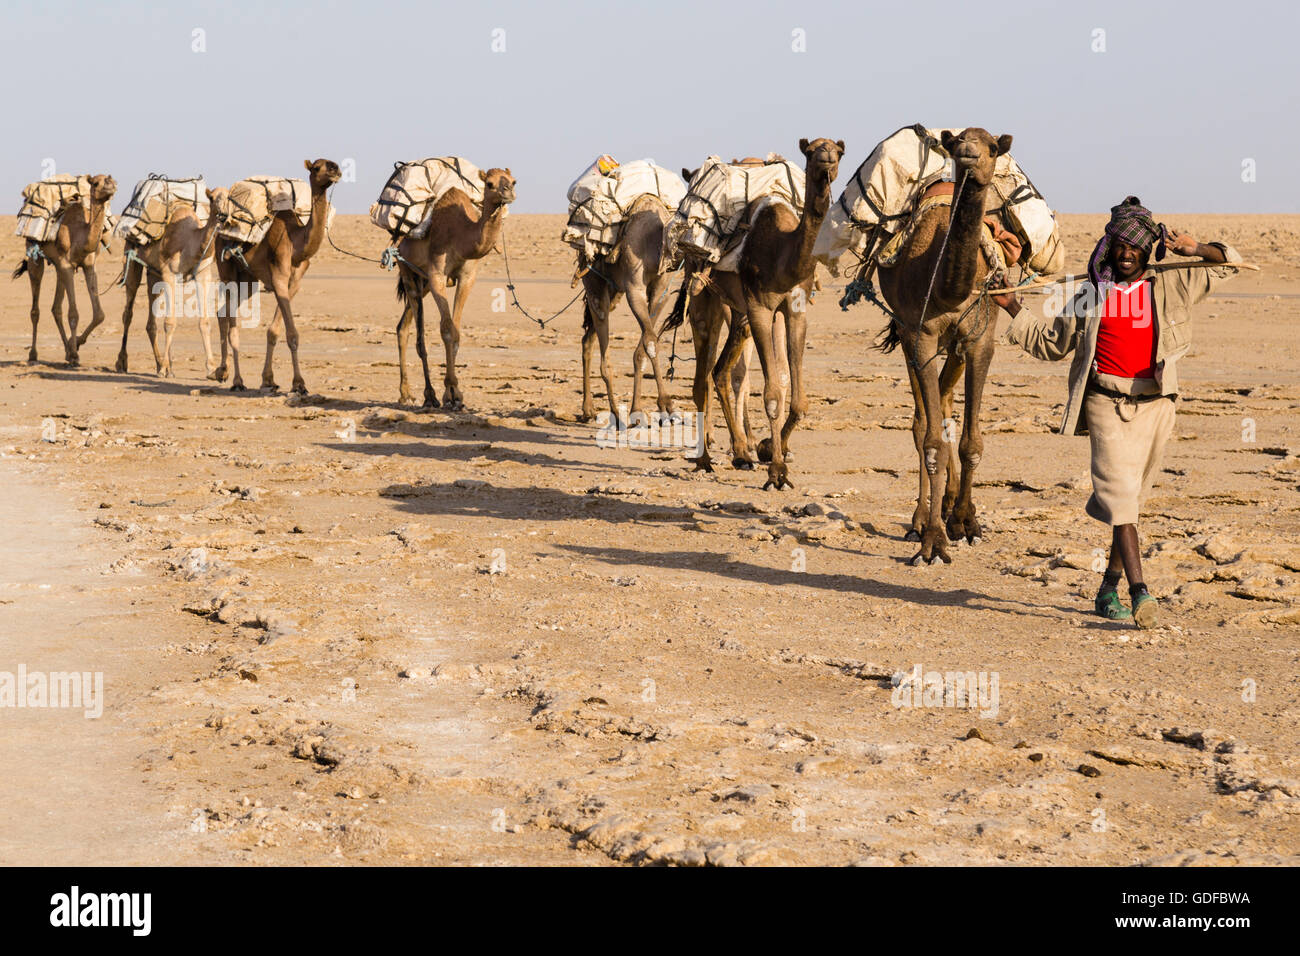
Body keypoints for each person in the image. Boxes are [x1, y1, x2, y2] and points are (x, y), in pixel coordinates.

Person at [992, 197, 1241, 628]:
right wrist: (1013, 306)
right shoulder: (1092, 291)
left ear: (1147, 250)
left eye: (1135, 247)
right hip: (1105, 402)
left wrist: (1194, 248)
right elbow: (1051, 345)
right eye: (1119, 246)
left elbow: (1229, 264)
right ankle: (1140, 592)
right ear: (1109, 247)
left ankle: (1108, 584)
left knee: (1131, 504)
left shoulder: (1173, 283)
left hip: (1156, 405)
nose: (1126, 254)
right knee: (1122, 502)